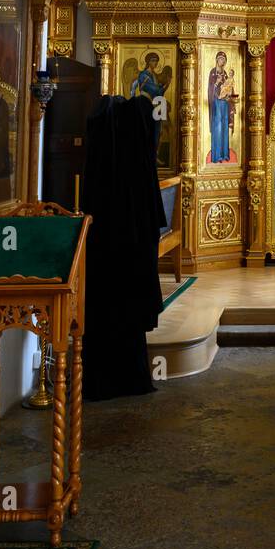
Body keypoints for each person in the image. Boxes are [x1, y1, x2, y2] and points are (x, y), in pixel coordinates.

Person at [81, 94, 164, 400]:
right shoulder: (139, 166)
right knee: (127, 315)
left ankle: (101, 379)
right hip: (131, 243)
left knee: (105, 310)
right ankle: (131, 376)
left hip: (102, 244)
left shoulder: (101, 135)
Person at [207, 50, 236, 162]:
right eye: (220, 59)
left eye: (224, 59)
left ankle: (225, 155)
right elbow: (210, 90)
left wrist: (231, 96)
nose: (222, 61)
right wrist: (216, 83)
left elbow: (230, 88)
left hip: (225, 104)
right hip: (216, 104)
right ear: (216, 60)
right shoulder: (213, 73)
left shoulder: (225, 74)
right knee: (218, 129)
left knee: (224, 128)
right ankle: (217, 156)